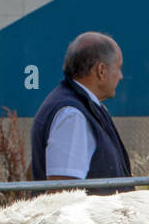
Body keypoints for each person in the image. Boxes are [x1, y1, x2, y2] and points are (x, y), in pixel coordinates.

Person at [31, 32, 131, 189]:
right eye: (119, 68)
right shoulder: (72, 115)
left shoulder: (80, 106)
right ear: (101, 70)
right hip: (88, 215)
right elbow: (63, 192)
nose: (120, 76)